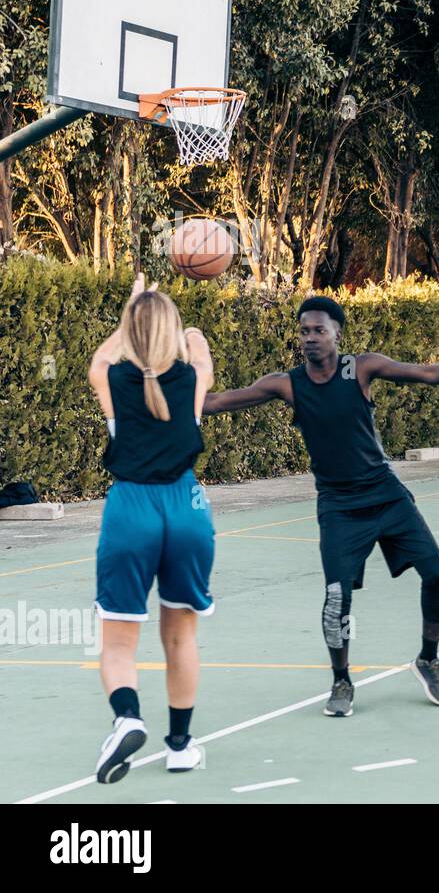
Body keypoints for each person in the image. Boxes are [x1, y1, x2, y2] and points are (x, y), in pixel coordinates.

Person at [202, 296, 439, 717]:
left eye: (319, 330)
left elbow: (428, 374)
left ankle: (428, 659)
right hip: (338, 505)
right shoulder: (287, 384)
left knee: (437, 573)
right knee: (337, 598)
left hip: (386, 495)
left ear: (338, 333)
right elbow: (215, 402)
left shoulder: (362, 368)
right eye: (304, 331)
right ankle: (341, 681)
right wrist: (154, 391)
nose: (310, 338)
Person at [88, 273, 215, 783]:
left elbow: (101, 359)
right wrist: (183, 329)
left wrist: (134, 305)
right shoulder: (192, 378)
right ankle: (180, 746)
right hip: (187, 508)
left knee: (119, 643)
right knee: (181, 639)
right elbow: (199, 351)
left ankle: (127, 718)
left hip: (131, 508)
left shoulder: (113, 380)